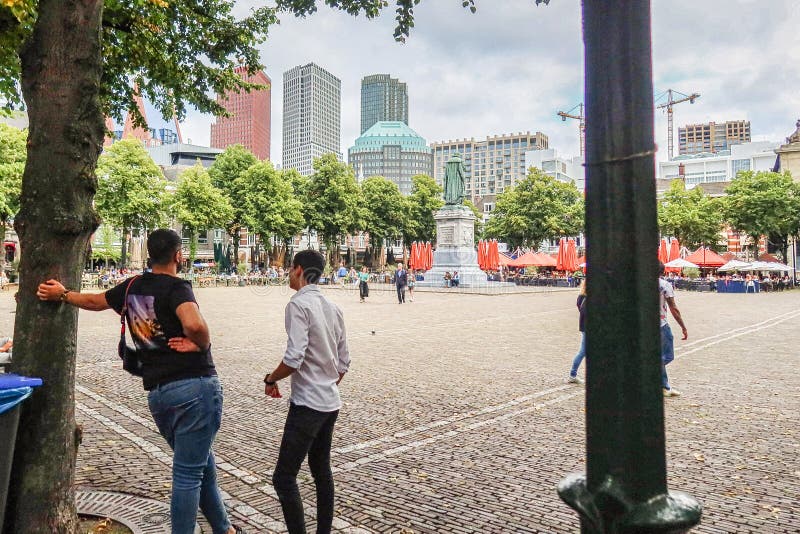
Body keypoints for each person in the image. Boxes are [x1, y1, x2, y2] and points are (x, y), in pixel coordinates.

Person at [36, 229, 243, 534]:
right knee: (188, 474)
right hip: (194, 387)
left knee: (200, 462)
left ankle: (224, 529)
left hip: (159, 394)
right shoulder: (177, 288)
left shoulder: (132, 287)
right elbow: (195, 324)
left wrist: (62, 294)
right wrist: (201, 343)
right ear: (177, 255)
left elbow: (95, 301)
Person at [263, 250, 350, 534]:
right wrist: (325, 382)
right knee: (321, 470)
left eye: (290, 268)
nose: (288, 273)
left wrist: (271, 378)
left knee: (284, 476)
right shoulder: (332, 307)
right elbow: (343, 362)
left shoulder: (298, 305)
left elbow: (294, 357)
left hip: (308, 405)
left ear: (299, 270)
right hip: (330, 403)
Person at [659, 262, 688, 397]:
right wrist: (683, 326)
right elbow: (673, 308)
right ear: (663, 271)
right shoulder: (665, 285)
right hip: (661, 324)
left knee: (659, 356)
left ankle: (664, 386)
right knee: (667, 355)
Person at [567, 280, 587, 384]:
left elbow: (579, 307)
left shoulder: (581, 296)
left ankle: (572, 374)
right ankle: (572, 374)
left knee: (583, 351)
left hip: (584, 327)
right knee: (583, 351)